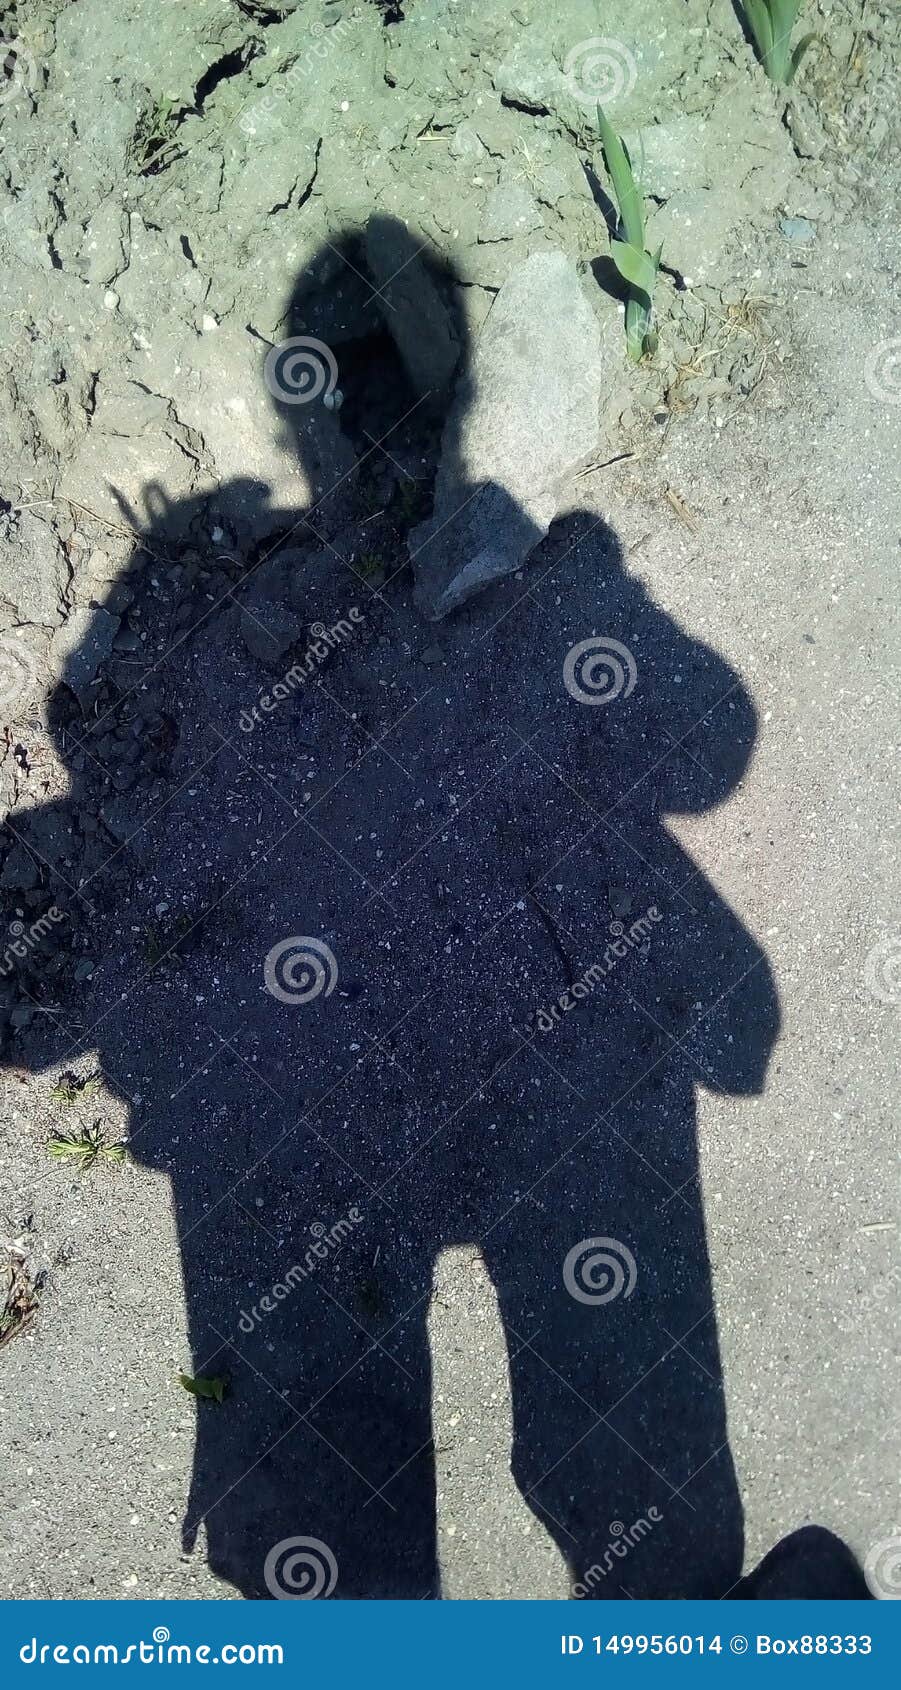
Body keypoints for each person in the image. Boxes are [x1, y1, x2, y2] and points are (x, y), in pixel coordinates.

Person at [4, 220, 798, 1600]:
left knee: (386, 1489)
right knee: (575, 1458)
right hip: (467, 1065)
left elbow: (708, 742)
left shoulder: (456, 622)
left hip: (353, 1087)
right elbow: (707, 743)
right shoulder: (487, 611)